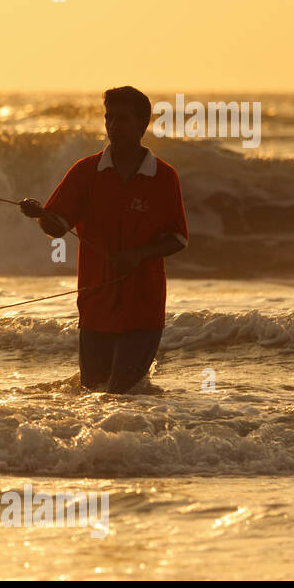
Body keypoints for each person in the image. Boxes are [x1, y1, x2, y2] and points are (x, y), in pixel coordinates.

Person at [19, 86, 189, 393]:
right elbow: (56, 227)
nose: (113, 126)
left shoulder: (163, 177)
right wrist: (39, 214)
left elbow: (178, 238)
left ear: (142, 124)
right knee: (92, 395)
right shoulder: (86, 171)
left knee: (122, 394)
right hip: (95, 305)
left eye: (123, 119)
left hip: (143, 307)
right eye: (109, 118)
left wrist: (139, 254)